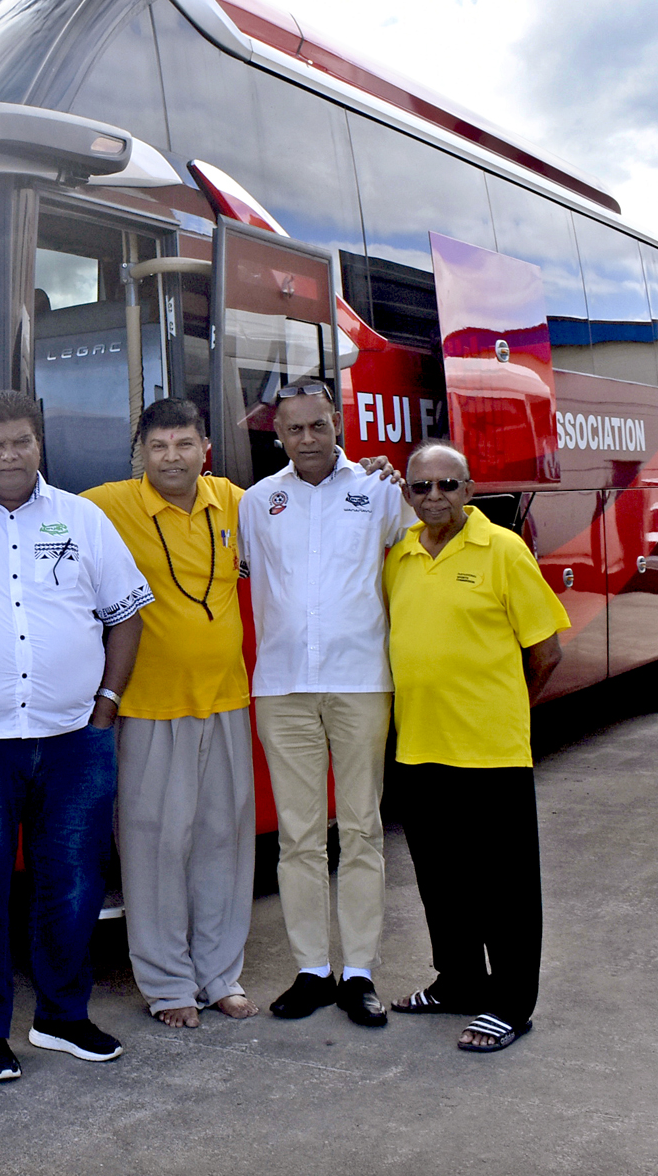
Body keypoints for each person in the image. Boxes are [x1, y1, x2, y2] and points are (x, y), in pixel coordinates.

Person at [0, 389, 152, 1083]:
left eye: (20, 441)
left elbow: (126, 613)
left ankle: (61, 1017)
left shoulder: (83, 518)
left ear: (38, 443)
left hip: (76, 737)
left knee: (73, 882)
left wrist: (106, 704)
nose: (8, 454)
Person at [78, 399, 258, 1029]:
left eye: (185, 444)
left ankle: (220, 976)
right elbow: (21, 503)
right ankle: (167, 985)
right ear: (140, 455)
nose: (172, 458)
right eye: (159, 447)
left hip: (227, 704)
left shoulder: (236, 501)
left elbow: (310, 502)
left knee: (224, 845)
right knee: (153, 849)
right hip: (147, 710)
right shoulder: (105, 506)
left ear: (205, 447)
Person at [384, 440, 567, 1053]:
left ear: (469, 489)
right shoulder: (401, 554)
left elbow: (545, 653)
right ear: (407, 494)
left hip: (490, 754)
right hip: (417, 749)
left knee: (505, 888)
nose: (434, 496)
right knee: (442, 880)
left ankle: (511, 1004)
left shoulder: (503, 551)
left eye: (447, 485)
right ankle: (459, 980)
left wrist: (503, 714)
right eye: (421, 487)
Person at [240, 379, 409, 1031]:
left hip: (360, 680)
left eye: (317, 426)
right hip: (281, 685)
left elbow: (421, 547)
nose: (306, 439)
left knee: (361, 826)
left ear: (335, 423)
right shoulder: (259, 503)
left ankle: (360, 972)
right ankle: (312, 969)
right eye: (293, 430)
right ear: (276, 435)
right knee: (298, 834)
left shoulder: (379, 492)